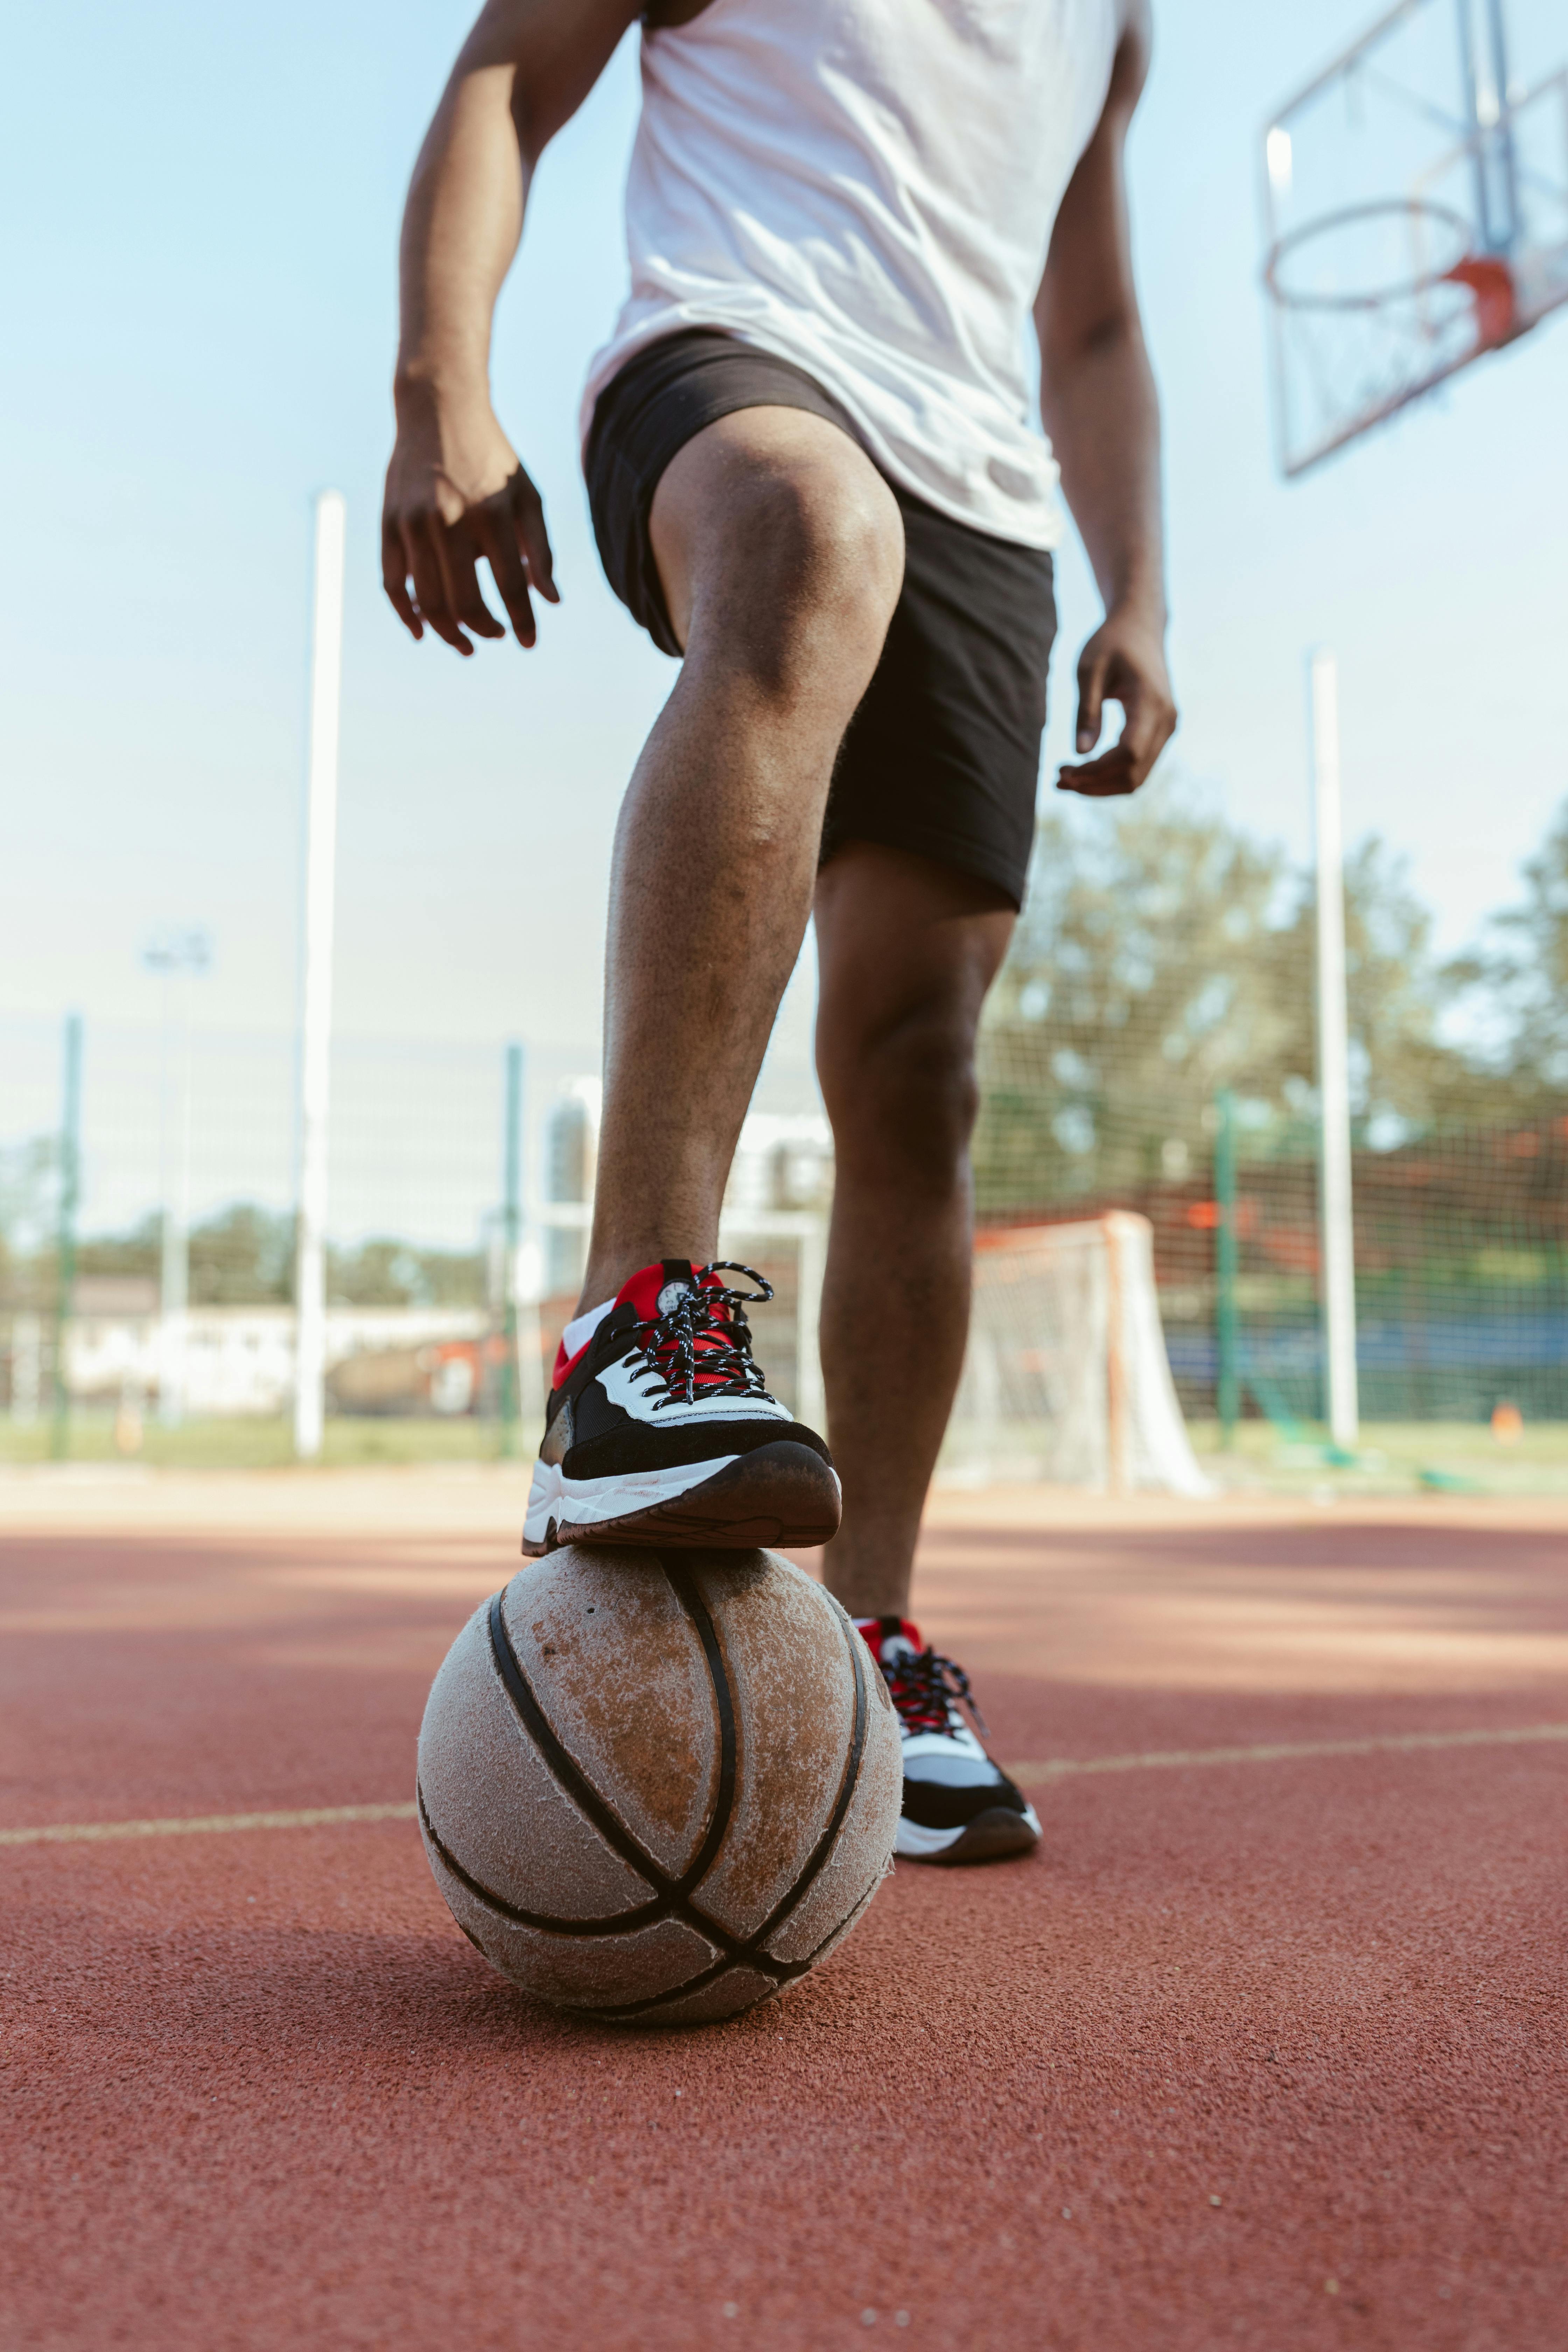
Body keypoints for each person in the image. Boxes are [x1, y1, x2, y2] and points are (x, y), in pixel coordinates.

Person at [383, 0, 1176, 1865]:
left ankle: (879, 1629)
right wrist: (443, 383)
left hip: (987, 484)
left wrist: (1144, 587)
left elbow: (1099, 318)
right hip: (735, 352)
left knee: (920, 1066)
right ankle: (632, 1332)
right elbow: (512, 72)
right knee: (813, 533)